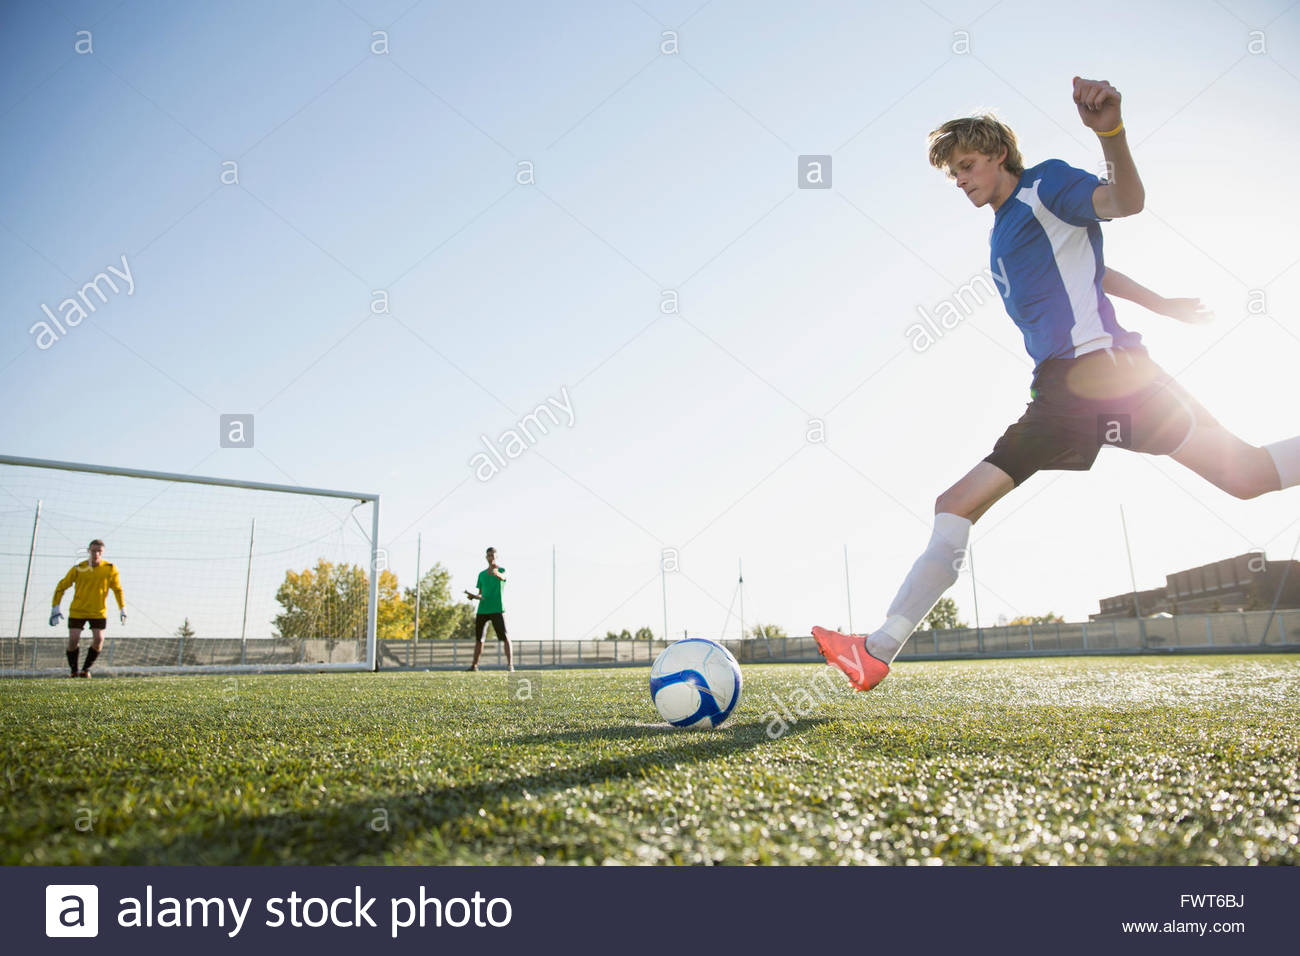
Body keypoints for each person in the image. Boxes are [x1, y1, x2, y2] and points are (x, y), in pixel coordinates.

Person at [814, 77, 1300, 692]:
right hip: (1103, 380)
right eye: (952, 173)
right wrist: (1162, 304)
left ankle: (876, 650)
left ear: (998, 155)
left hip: (1087, 380)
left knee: (954, 504)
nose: (960, 179)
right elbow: (1095, 268)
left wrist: (1111, 136)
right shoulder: (1003, 231)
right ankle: (875, 651)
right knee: (1247, 474)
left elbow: (1124, 202)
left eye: (967, 165)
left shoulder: (1044, 185)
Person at [50, 539, 126, 678]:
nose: (96, 553)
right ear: (88, 551)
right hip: (78, 610)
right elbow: (62, 586)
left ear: (102, 552)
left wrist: (122, 608)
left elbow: (117, 589)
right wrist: (55, 606)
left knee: (99, 639)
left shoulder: (109, 568)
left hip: (98, 611)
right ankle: (74, 670)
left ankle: (85, 669)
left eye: (99, 551)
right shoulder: (79, 568)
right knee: (73, 639)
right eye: (93, 551)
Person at [464, 546, 513, 672]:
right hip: (483, 610)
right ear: (486, 557)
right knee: (479, 639)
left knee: (505, 637)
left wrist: (497, 573)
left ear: (496, 556)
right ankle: (474, 666)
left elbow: (504, 577)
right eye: (489, 555)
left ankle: (510, 665)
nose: (491, 558)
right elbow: (481, 594)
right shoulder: (481, 575)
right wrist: (474, 596)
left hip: (497, 609)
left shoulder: (502, 570)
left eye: (493, 555)